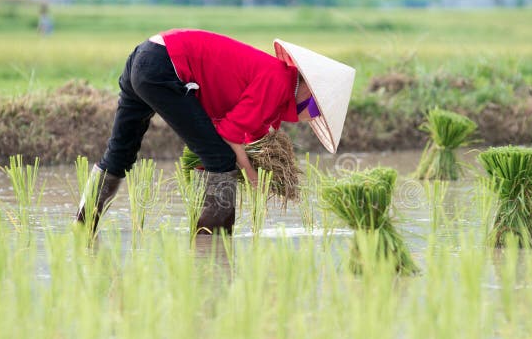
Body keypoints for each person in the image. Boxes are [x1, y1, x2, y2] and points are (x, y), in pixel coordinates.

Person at [76, 29, 355, 234]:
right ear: (309, 90)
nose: (310, 117)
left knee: (121, 154)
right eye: (316, 111)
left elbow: (240, 131)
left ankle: (82, 229)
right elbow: (230, 137)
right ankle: (210, 241)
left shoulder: (277, 86)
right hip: (163, 66)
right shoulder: (279, 82)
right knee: (220, 160)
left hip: (144, 56)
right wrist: (252, 176)